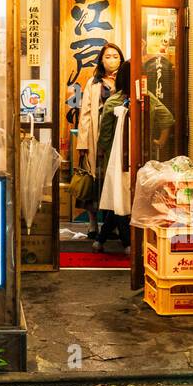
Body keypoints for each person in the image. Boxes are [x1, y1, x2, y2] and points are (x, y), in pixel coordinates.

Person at [75, 43, 131, 254]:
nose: (111, 60)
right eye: (107, 56)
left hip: (123, 138)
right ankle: (93, 222)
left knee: (115, 182)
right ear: (101, 60)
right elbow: (86, 113)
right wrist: (82, 143)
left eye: (115, 56)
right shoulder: (94, 83)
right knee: (96, 181)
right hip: (99, 138)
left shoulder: (126, 79)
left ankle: (111, 228)